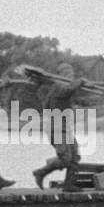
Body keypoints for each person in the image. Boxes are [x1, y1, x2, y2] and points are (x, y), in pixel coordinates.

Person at [30, 62, 86, 191]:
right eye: (69, 74)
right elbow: (67, 90)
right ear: (63, 75)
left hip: (65, 127)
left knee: (75, 157)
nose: (72, 76)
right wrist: (80, 82)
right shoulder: (59, 86)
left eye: (72, 74)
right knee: (66, 159)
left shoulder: (57, 88)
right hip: (56, 128)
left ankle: (68, 185)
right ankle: (41, 172)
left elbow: (46, 105)